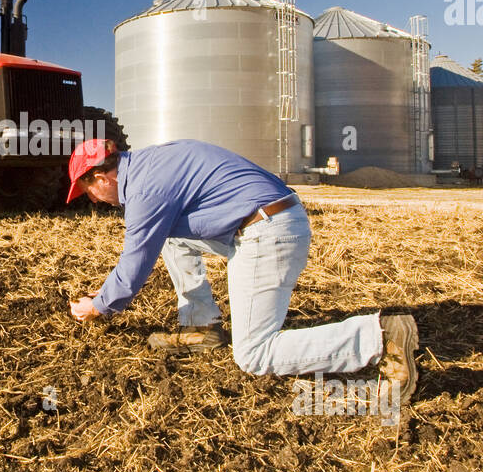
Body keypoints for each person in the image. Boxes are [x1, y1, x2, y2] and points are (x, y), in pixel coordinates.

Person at [66, 138, 419, 402]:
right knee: (171, 238)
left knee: (254, 354)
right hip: (271, 217)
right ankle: (201, 327)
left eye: (88, 192)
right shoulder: (152, 162)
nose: (94, 201)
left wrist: (98, 305)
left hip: (268, 231)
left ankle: (378, 337)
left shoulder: (144, 188)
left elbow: (134, 264)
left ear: (101, 178)